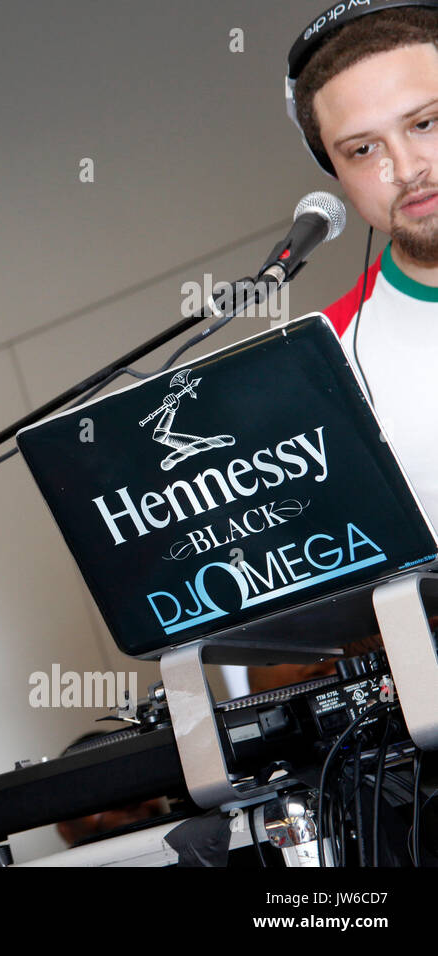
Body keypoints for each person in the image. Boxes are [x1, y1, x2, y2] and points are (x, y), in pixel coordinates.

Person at [249, 3, 438, 694]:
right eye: (363, 149)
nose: (407, 167)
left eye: (426, 122)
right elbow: (293, 639)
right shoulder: (322, 367)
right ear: (331, 169)